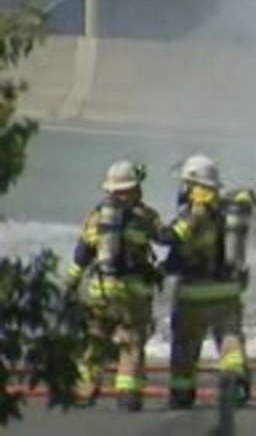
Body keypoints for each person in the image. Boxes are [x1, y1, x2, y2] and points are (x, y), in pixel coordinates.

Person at [66, 159, 168, 411]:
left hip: (99, 290)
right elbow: (166, 238)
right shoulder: (145, 216)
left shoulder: (96, 216)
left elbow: (82, 253)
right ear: (132, 188)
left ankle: (83, 391)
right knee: (131, 342)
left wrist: (71, 282)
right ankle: (128, 395)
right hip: (131, 293)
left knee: (95, 339)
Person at [163, 154, 254, 409]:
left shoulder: (195, 212)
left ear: (192, 183)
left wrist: (161, 265)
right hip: (227, 291)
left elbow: (177, 247)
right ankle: (234, 379)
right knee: (230, 338)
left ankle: (182, 393)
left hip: (194, 291)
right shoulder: (226, 209)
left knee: (185, 346)